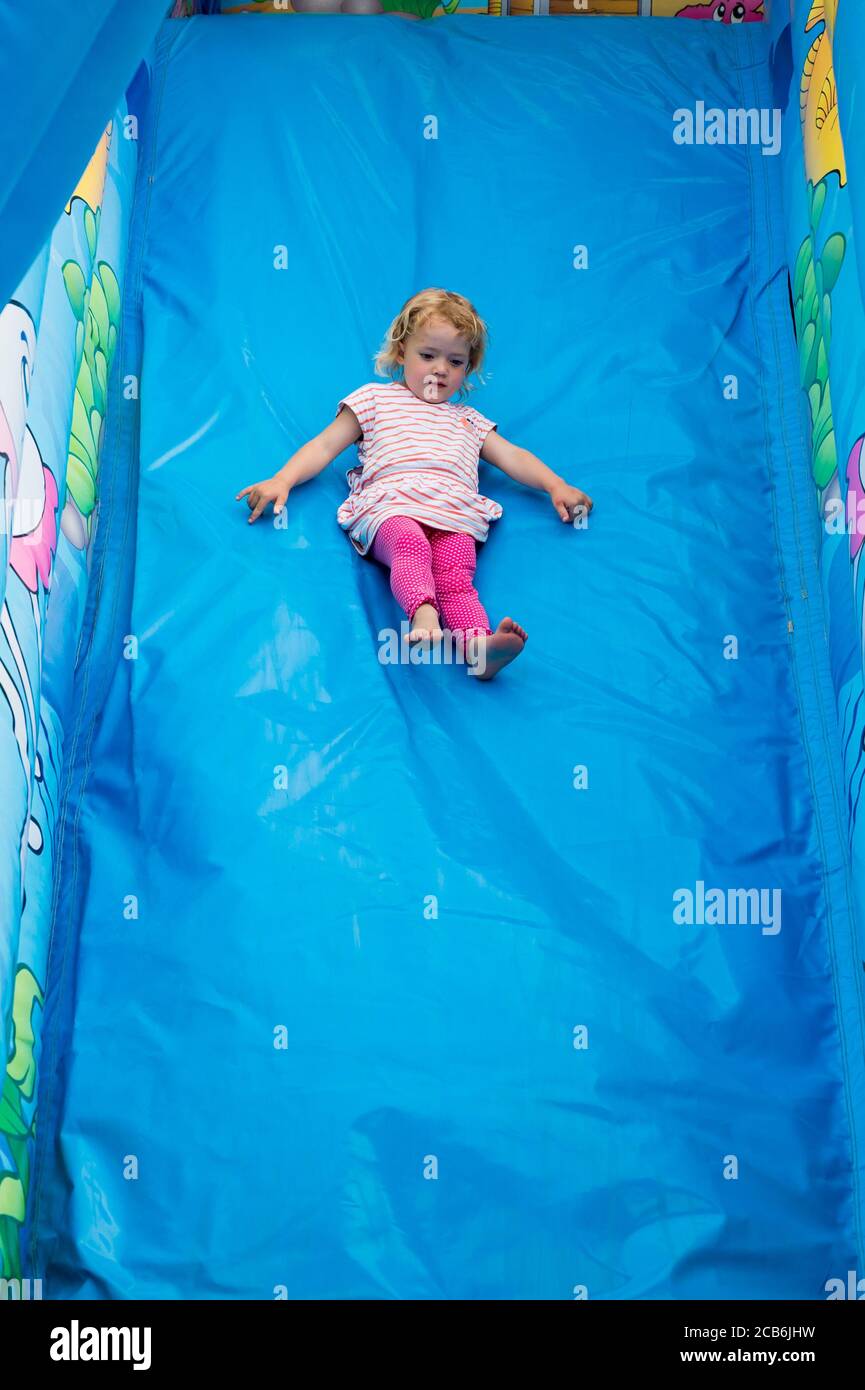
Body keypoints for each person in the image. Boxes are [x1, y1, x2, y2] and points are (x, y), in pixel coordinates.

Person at [237, 287, 592, 680]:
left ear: (468, 368)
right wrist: (282, 480)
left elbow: (513, 457)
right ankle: (424, 615)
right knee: (409, 544)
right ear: (402, 351)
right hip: (391, 506)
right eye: (428, 356)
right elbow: (324, 446)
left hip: (453, 513)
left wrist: (555, 485)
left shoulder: (468, 421)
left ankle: (479, 650)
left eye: (455, 362)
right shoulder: (374, 401)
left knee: (456, 579)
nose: (440, 369)